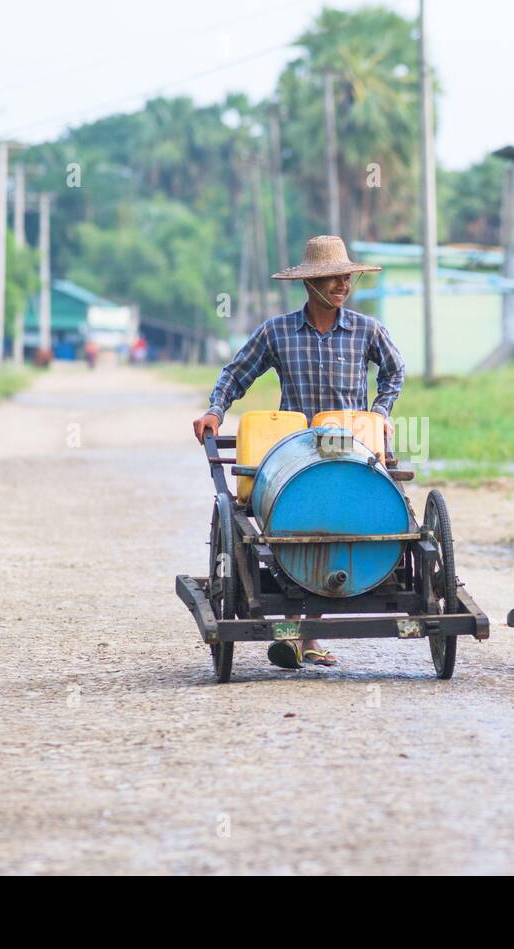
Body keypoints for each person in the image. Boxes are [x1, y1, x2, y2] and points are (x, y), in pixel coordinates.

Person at [192, 235, 406, 671]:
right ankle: (300, 634)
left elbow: (395, 371)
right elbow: (237, 373)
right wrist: (216, 409)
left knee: (342, 526)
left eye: (345, 277)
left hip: (350, 450)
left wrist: (381, 411)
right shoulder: (277, 332)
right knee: (297, 527)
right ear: (310, 284)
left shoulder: (367, 330)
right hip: (294, 453)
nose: (341, 285)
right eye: (331, 278)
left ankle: (304, 634)